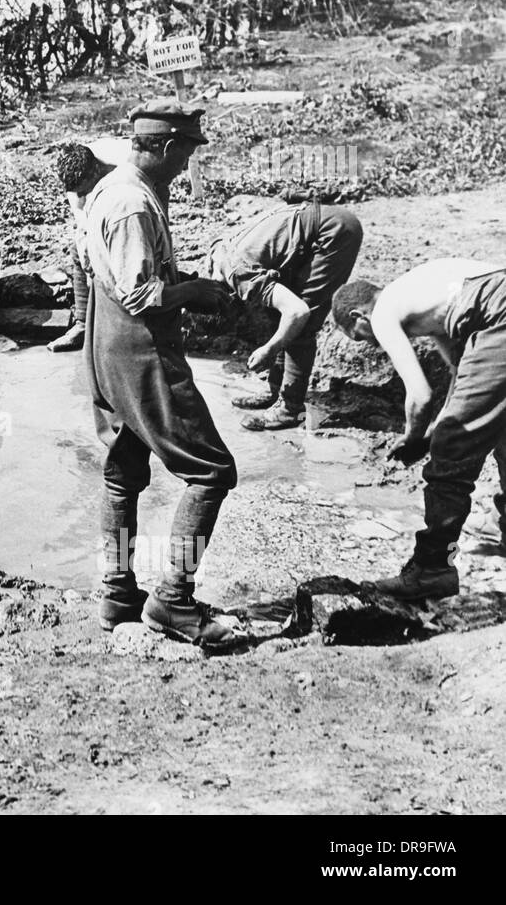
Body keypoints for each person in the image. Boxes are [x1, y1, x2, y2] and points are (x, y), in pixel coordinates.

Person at [84, 99, 241, 648]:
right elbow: (140, 293)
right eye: (187, 153)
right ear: (169, 148)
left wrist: (188, 279)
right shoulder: (131, 202)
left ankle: (117, 591)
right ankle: (173, 599)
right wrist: (194, 292)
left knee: (122, 471)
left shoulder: (114, 186)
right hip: (139, 347)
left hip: (103, 343)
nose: (187, 163)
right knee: (212, 472)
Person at [333, 259, 506, 599]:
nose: (372, 344)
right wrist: (432, 434)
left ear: (358, 317)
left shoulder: (383, 313)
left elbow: (421, 395)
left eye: (361, 338)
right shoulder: (424, 297)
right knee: (499, 430)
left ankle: (433, 569)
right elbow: (462, 379)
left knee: (453, 449)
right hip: (497, 300)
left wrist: (414, 440)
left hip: (499, 313)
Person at [208, 202, 364, 431]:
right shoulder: (217, 254)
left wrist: (270, 348)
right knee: (276, 313)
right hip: (311, 229)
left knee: (303, 323)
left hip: (335, 233)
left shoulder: (240, 275)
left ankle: (290, 409)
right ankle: (275, 390)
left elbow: (297, 312)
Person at [46, 140, 118, 352]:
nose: (79, 196)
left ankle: (156, 309)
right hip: (106, 213)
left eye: (83, 191)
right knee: (79, 251)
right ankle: (83, 324)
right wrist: (89, 266)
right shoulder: (77, 183)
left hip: (134, 205)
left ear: (96, 172)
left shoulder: (125, 164)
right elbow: (85, 227)